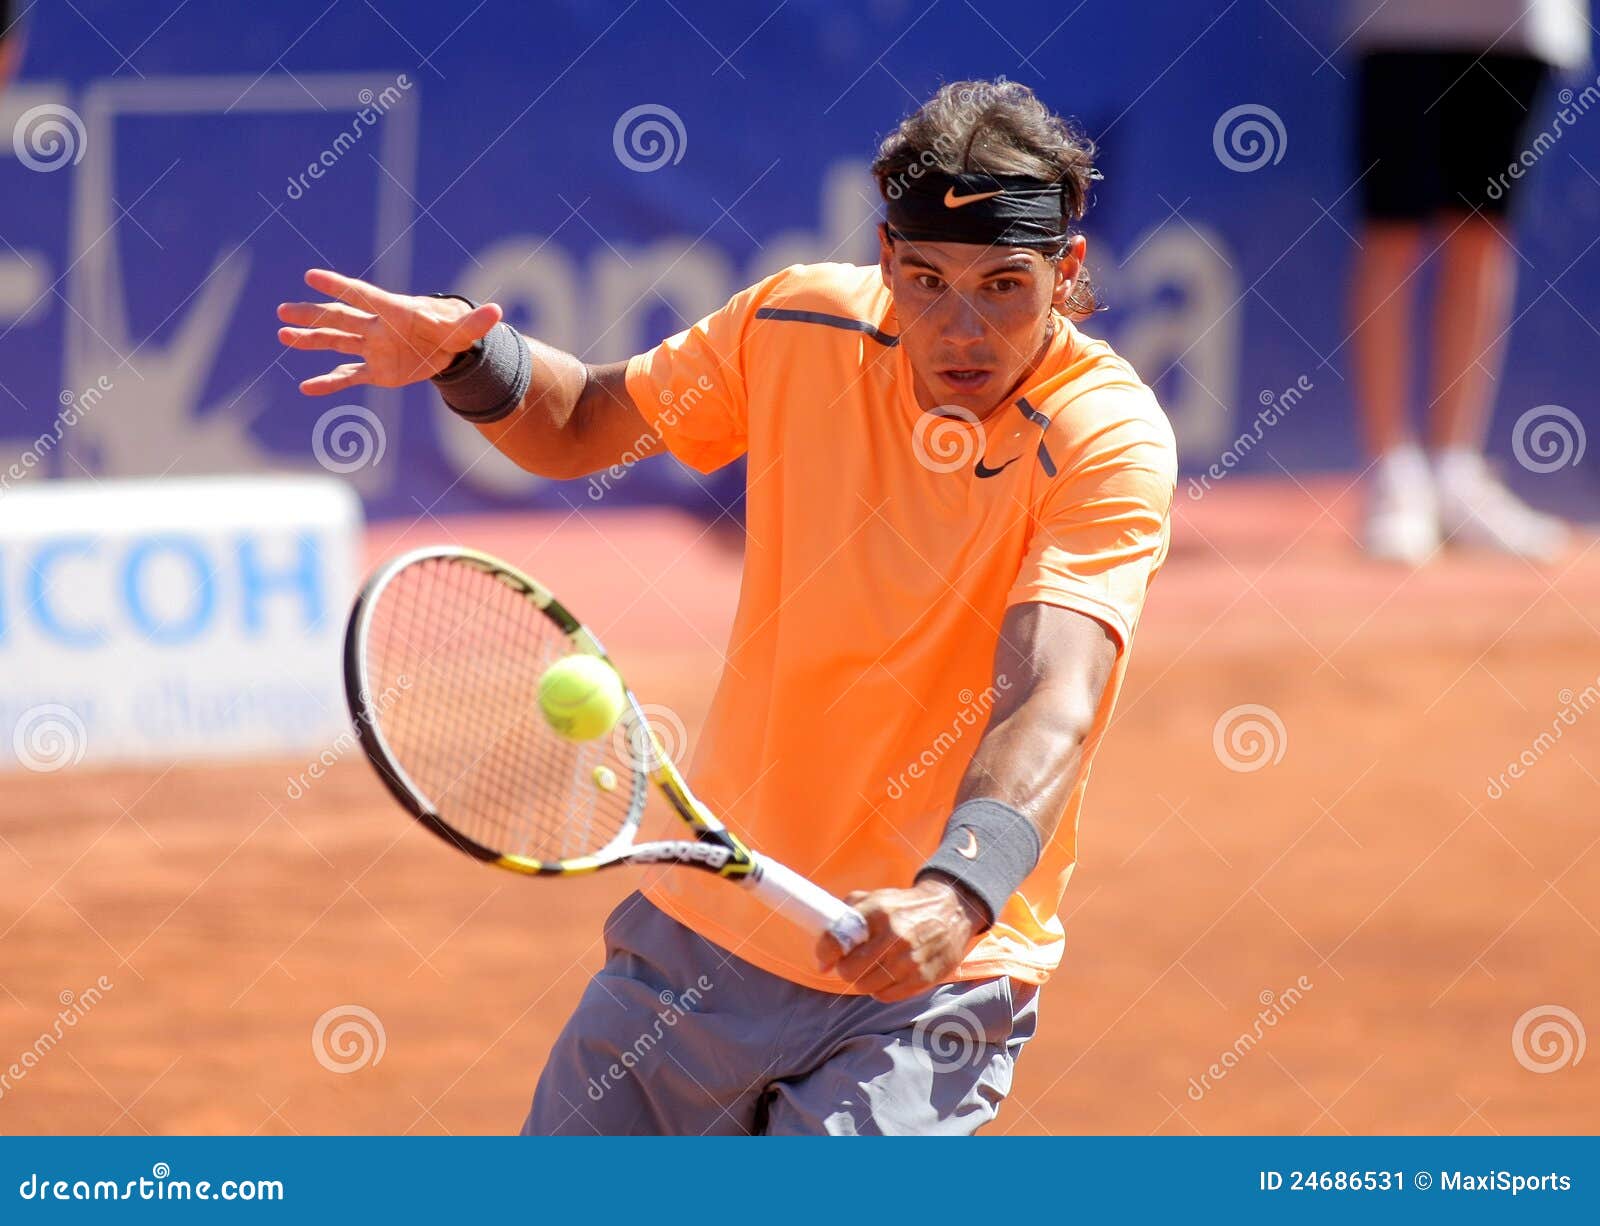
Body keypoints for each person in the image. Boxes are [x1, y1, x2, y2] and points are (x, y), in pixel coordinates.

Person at [277, 79, 1176, 1135]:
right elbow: (581, 425)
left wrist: (956, 891)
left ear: (1067, 271)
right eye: (926, 279)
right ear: (887, 258)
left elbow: (1050, 689)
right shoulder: (797, 322)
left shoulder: (1105, 436)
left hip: (928, 981)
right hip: (698, 944)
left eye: (1003, 285)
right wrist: (473, 362)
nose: (960, 327)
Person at [1347, 0, 1590, 562]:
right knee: (1392, 231)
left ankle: (1454, 469)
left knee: (1483, 232)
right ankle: (1392, 476)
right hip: (1401, 22)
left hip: (1519, 25)